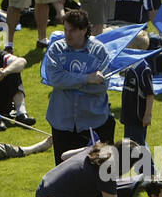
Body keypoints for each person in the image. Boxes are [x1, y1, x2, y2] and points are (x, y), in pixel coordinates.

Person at [41, 9, 114, 161]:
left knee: (98, 169)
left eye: (72, 30)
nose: (67, 35)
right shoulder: (56, 49)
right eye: (65, 30)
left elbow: (101, 86)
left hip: (93, 120)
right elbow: (54, 79)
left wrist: (68, 81)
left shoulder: (99, 50)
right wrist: (87, 78)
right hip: (62, 121)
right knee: (63, 170)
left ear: (84, 30)